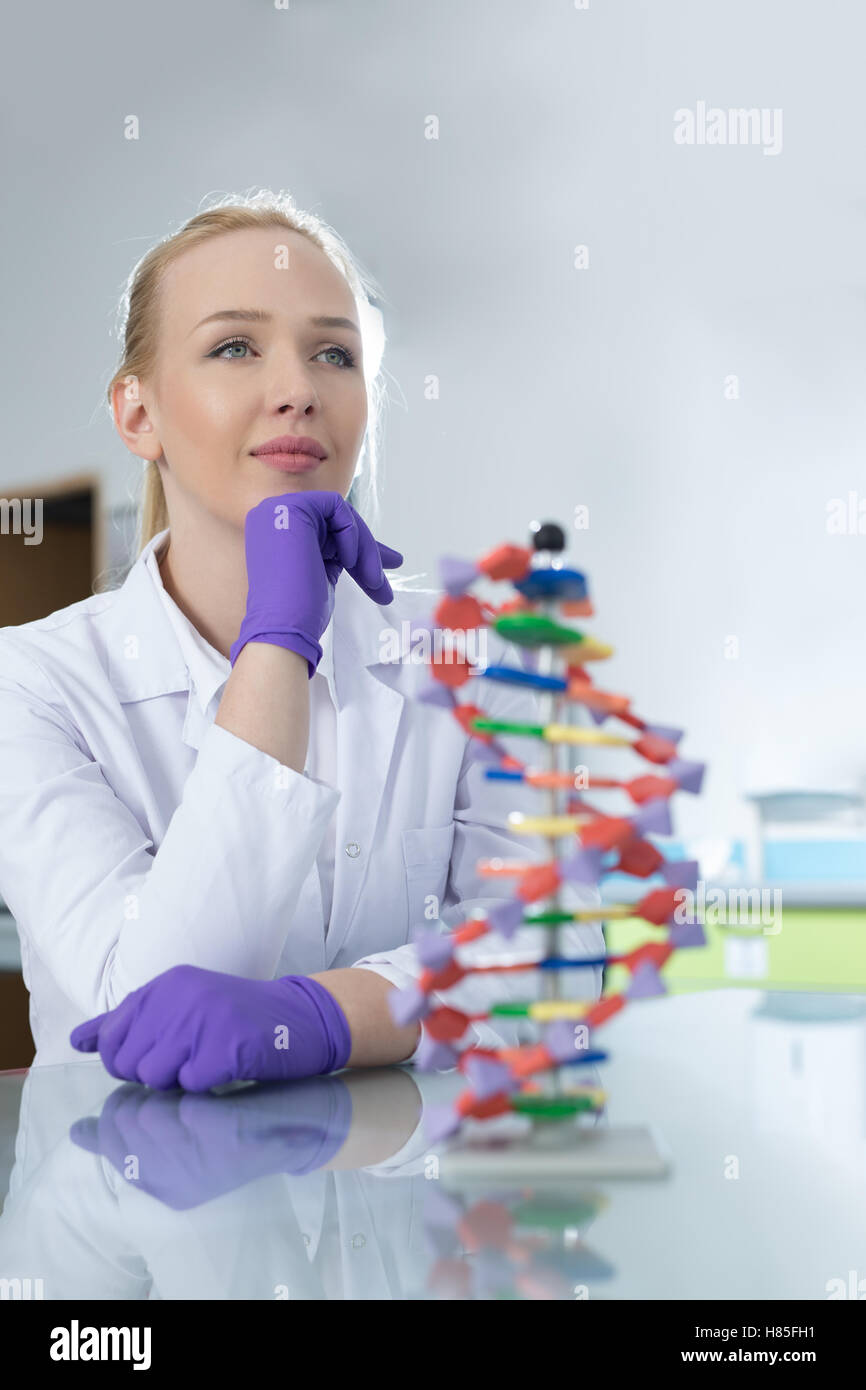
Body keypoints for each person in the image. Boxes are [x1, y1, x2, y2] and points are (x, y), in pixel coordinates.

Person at [0, 190, 604, 1090]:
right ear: (138, 416)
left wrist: (321, 1017)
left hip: (400, 1205)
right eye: (234, 347)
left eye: (334, 354)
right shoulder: (34, 683)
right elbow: (145, 1025)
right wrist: (278, 640)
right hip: (131, 1216)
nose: (298, 391)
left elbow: (554, 963)